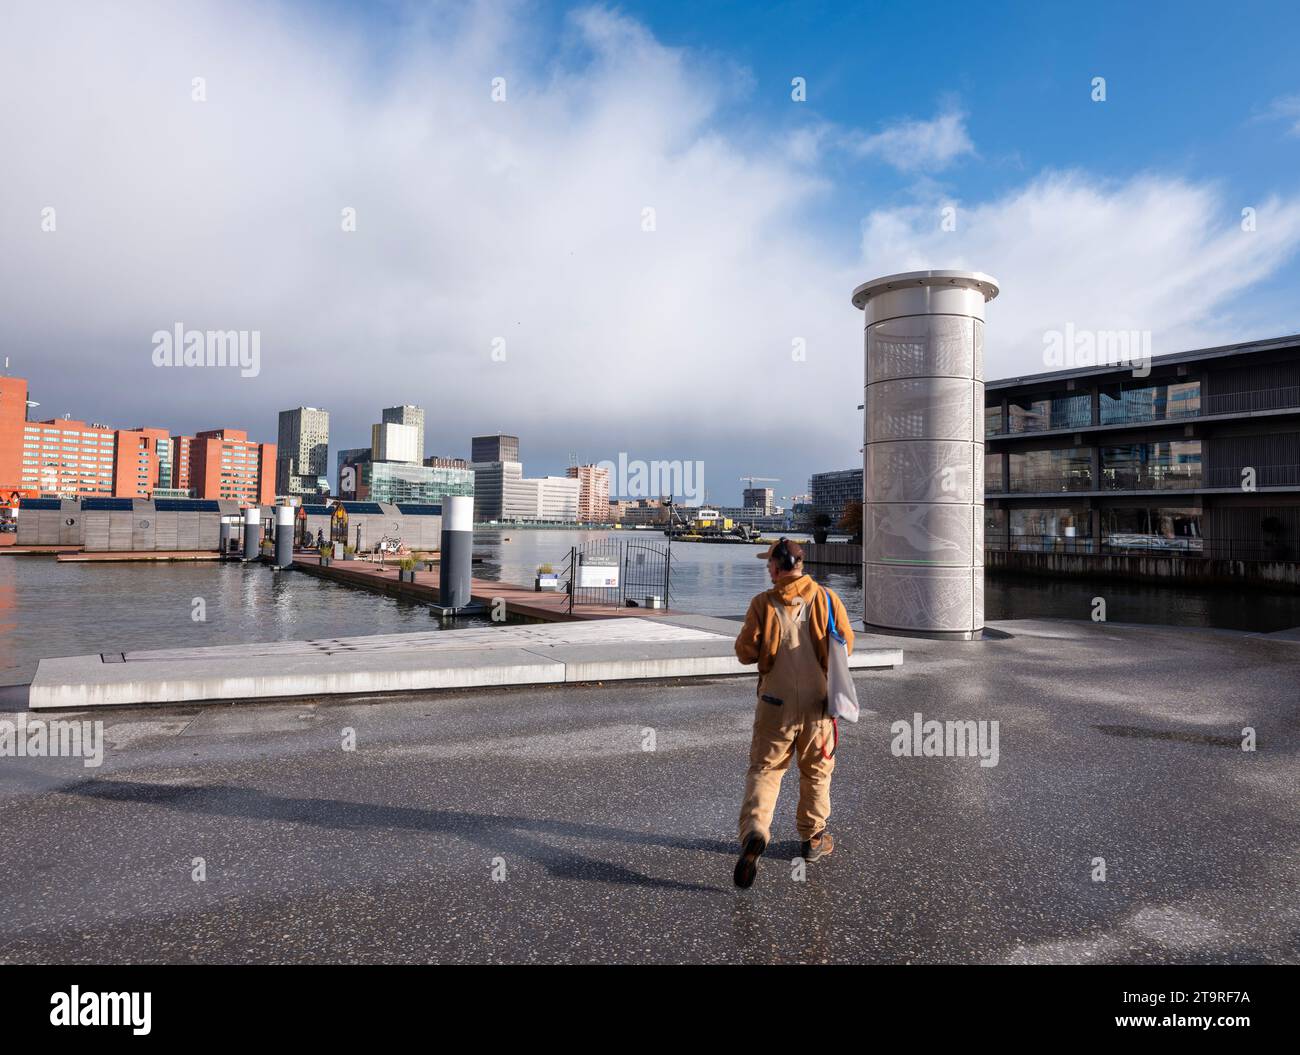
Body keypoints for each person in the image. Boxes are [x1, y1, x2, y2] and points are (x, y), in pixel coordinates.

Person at [732, 537, 854, 888]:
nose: (767, 570)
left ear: (776, 566)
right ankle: (813, 839)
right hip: (818, 703)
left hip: (775, 702)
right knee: (816, 771)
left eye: (768, 564)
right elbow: (846, 642)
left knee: (766, 769)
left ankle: (756, 830)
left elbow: (745, 651)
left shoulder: (762, 603)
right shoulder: (828, 599)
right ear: (799, 565)